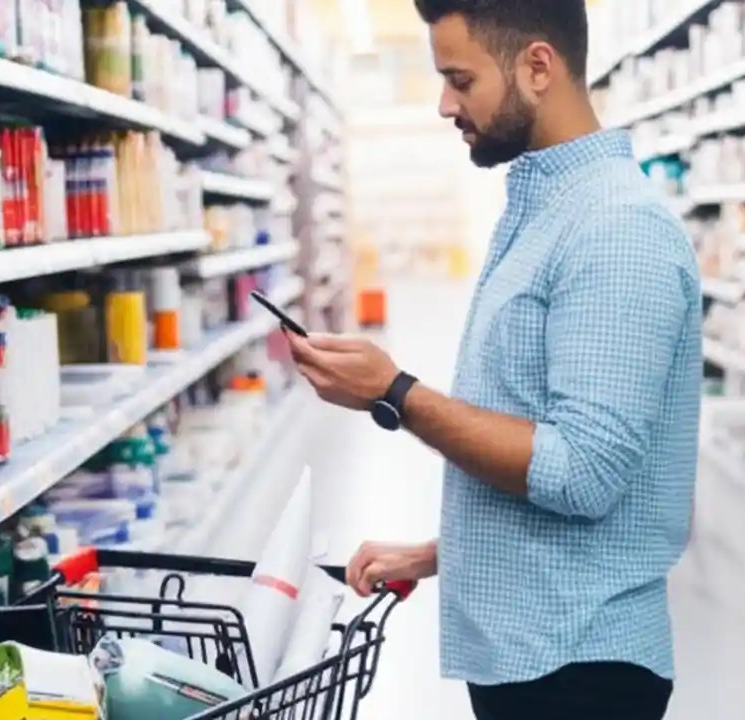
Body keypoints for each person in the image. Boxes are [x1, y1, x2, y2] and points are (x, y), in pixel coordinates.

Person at [284, 1, 701, 717]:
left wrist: (395, 392)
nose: (445, 103)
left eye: (460, 79)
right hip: (537, 647)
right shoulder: (545, 209)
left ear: (538, 66)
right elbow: (537, 436)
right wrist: (438, 552)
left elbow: (583, 471)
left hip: (579, 667)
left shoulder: (617, 231)